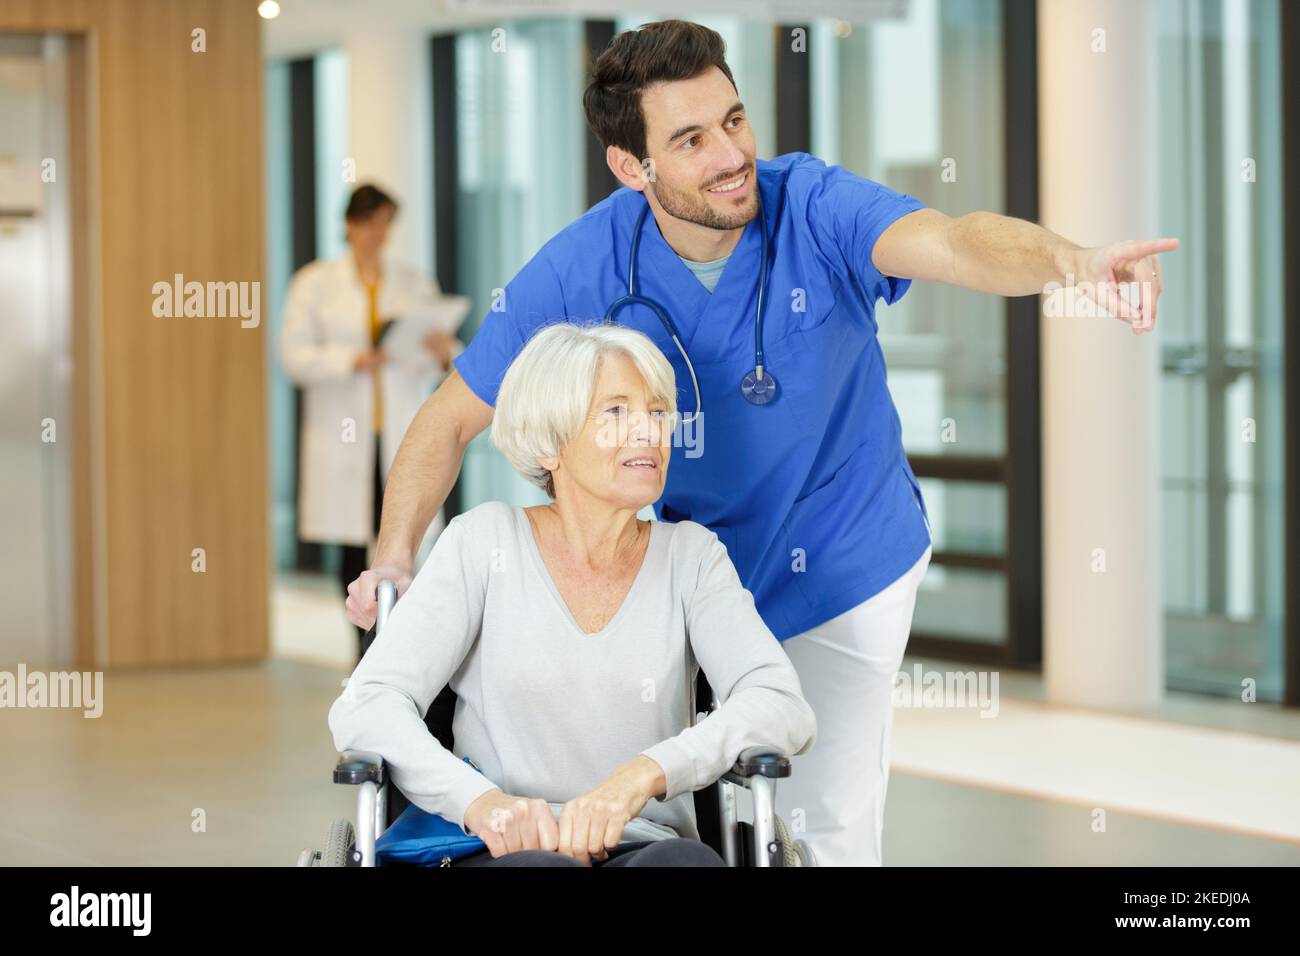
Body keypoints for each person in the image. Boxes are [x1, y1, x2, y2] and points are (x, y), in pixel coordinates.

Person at [344, 21, 1176, 865]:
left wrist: (1070, 262)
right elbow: (447, 418)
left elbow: (955, 241)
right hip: (698, 567)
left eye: (734, 121)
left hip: (843, 552)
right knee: (706, 805)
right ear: (634, 168)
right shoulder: (585, 263)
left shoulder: (814, 207)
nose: (730, 154)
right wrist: (395, 559)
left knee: (821, 809)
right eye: (691, 139)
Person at [328, 323, 816, 866]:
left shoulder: (693, 558)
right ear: (552, 442)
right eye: (616, 413)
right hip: (504, 848)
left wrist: (644, 775)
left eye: (657, 413)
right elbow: (367, 704)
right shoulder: (482, 542)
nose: (648, 432)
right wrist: (481, 804)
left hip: (645, 844)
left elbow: (780, 703)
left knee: (685, 864)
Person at [279, 184, 470, 662]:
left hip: (400, 427)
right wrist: (350, 359)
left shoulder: (411, 282)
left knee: (403, 533)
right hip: (345, 433)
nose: (378, 233)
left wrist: (437, 349)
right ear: (349, 224)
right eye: (370, 222)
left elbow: (437, 358)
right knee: (351, 541)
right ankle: (359, 652)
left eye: (386, 222)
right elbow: (293, 357)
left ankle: (404, 645)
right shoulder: (314, 283)